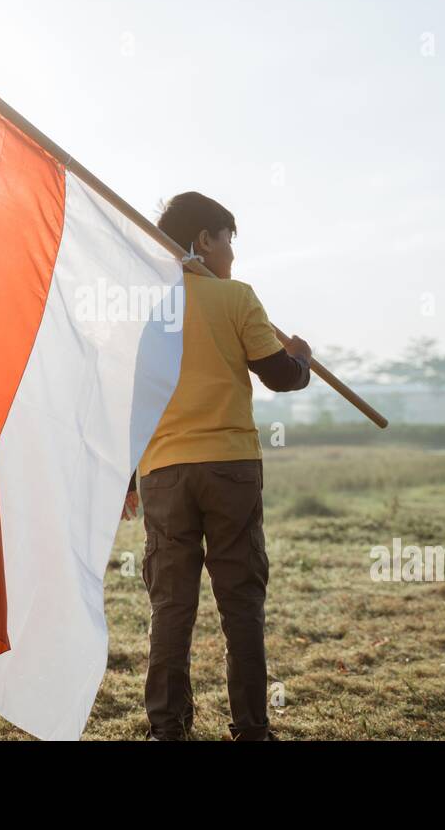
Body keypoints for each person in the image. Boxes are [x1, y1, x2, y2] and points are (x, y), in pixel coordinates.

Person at [122, 190, 313, 741]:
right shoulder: (236, 298)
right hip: (230, 468)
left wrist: (126, 479)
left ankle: (167, 730)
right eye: (228, 238)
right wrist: (301, 358)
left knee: (171, 607)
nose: (232, 251)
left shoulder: (150, 310)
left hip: (164, 473)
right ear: (203, 240)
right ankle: (252, 729)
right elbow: (278, 376)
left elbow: (135, 401)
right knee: (241, 604)